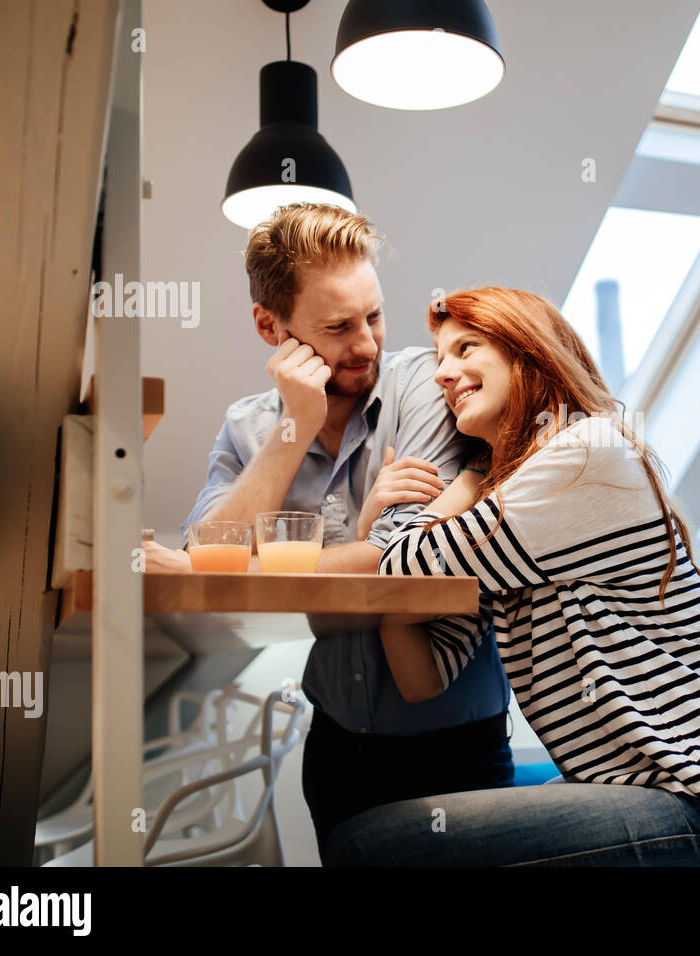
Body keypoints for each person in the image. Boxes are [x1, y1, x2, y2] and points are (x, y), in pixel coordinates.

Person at [325, 287, 700, 866]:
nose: (444, 373)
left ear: (526, 351)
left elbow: (396, 568)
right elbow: (421, 676)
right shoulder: (515, 505)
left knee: (364, 846)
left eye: (466, 347)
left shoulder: (581, 458)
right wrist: (404, 563)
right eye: (439, 359)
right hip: (664, 804)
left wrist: (454, 490)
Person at [145, 204, 514, 861]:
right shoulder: (248, 425)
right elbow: (210, 562)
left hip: (454, 750)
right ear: (271, 326)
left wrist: (356, 540)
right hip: (338, 748)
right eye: (340, 327)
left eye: (373, 315)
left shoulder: (432, 388)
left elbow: (404, 560)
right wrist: (296, 424)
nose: (367, 344)